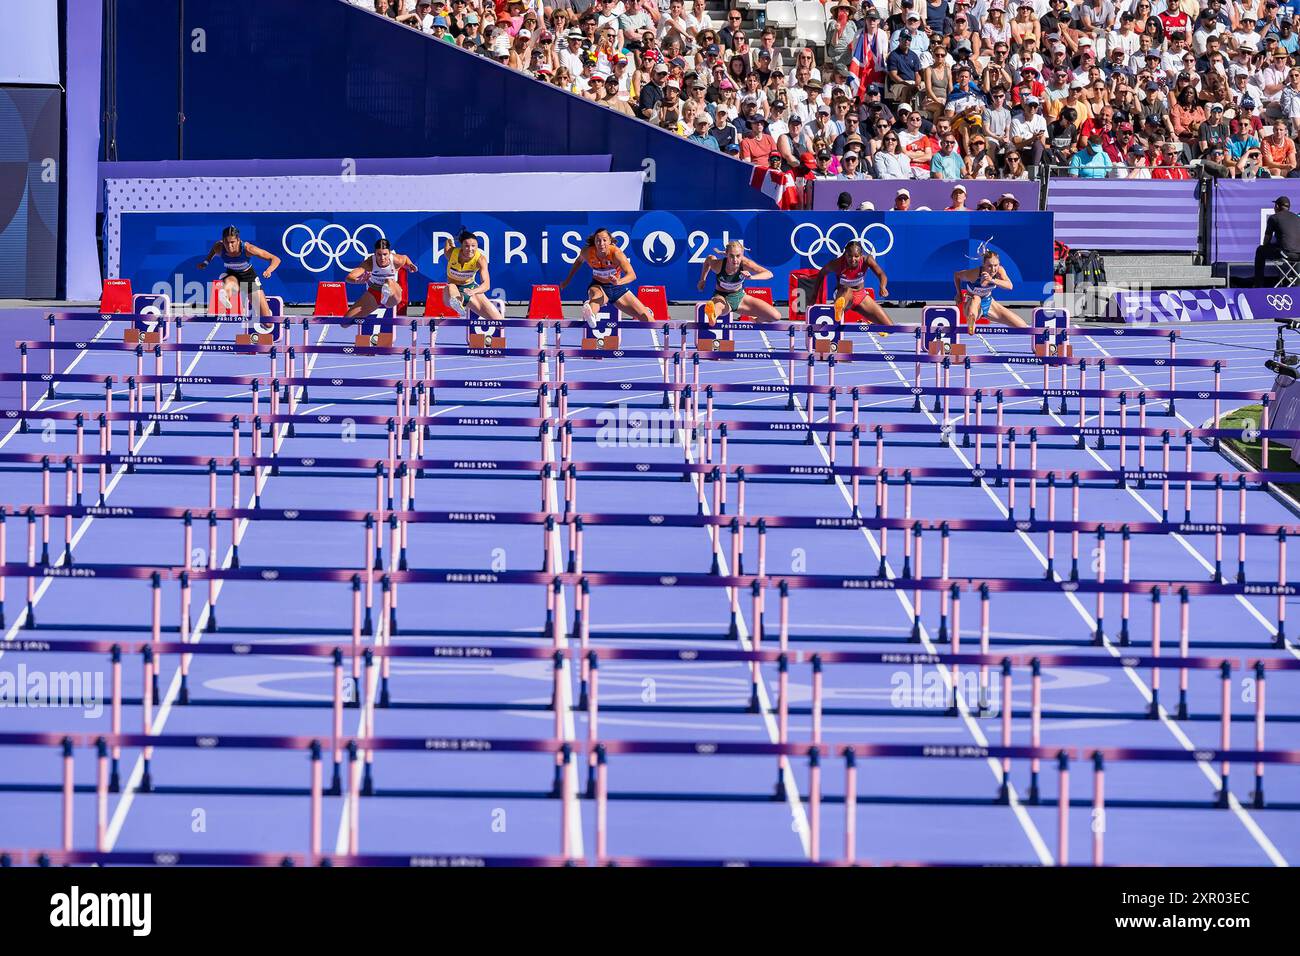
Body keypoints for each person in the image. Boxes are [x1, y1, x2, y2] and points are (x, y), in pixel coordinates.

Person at [559, 227, 656, 321]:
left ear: (610, 241)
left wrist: (618, 281)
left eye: (604, 240)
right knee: (596, 296)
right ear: (594, 242)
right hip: (598, 285)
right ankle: (591, 314)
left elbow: (632, 275)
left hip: (618, 289)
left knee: (648, 319)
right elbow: (579, 261)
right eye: (598, 240)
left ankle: (645, 310)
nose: (601, 244)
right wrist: (567, 280)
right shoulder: (587, 252)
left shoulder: (616, 253)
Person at [197, 226, 280, 318]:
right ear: (222, 241)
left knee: (267, 322)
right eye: (226, 242)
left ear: (238, 240)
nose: (229, 246)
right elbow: (213, 251)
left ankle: (226, 294)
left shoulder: (249, 249)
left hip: (248, 277)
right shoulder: (219, 247)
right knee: (230, 282)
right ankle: (224, 296)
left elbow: (275, 259)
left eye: (232, 242)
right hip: (232, 274)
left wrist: (269, 270)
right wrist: (206, 262)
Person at [814, 240, 895, 330]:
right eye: (849, 256)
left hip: (860, 296)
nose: (853, 259)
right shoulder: (837, 263)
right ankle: (839, 309)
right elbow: (821, 274)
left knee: (890, 327)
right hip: (843, 295)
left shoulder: (867, 260)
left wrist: (882, 286)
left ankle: (877, 326)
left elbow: (881, 274)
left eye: (856, 256)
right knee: (847, 289)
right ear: (845, 254)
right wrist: (814, 296)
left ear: (861, 256)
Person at [697, 240, 781, 321]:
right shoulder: (718, 265)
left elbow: (769, 273)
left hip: (740, 298)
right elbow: (709, 259)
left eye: (738, 256)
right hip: (722, 297)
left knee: (775, 316)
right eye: (731, 256)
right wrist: (702, 280)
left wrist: (751, 277)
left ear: (742, 255)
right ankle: (712, 317)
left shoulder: (746, 264)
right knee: (717, 308)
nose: (735, 260)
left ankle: (756, 320)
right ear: (727, 254)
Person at [954, 249, 1027, 333]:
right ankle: (971, 321)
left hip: (989, 303)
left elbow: (1010, 286)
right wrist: (959, 294)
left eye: (996, 265)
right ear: (984, 264)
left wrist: (992, 280)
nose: (993, 269)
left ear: (999, 264)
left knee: (1023, 327)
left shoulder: (1000, 271)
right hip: (972, 304)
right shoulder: (974, 274)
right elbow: (957, 275)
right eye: (989, 266)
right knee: (976, 298)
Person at [440, 230, 504, 324]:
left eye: (473, 246)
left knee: (499, 323)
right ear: (461, 246)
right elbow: (448, 242)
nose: (470, 249)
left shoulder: (480, 260)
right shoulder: (450, 253)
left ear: (477, 246)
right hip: (452, 291)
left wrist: (473, 291)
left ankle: (461, 302)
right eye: (466, 246)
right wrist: (452, 238)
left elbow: (486, 285)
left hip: (470, 289)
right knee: (450, 286)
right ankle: (458, 303)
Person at [343, 238, 415, 318]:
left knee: (389, 282)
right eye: (379, 254)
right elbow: (349, 277)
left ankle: (387, 292)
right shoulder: (370, 263)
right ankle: (384, 294)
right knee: (345, 322)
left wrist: (410, 265)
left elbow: (405, 258)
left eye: (385, 254)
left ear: (390, 253)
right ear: (375, 254)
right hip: (374, 292)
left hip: (392, 294)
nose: (382, 258)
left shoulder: (396, 260)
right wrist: (357, 281)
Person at [1252, 196, 1300, 286]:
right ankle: (1296, 285)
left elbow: (1266, 240)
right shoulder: (1298, 218)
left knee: (1260, 250)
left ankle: (1258, 285)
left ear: (1277, 206)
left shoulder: (1273, 218)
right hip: (1299, 255)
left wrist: (1268, 245)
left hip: (1286, 254)